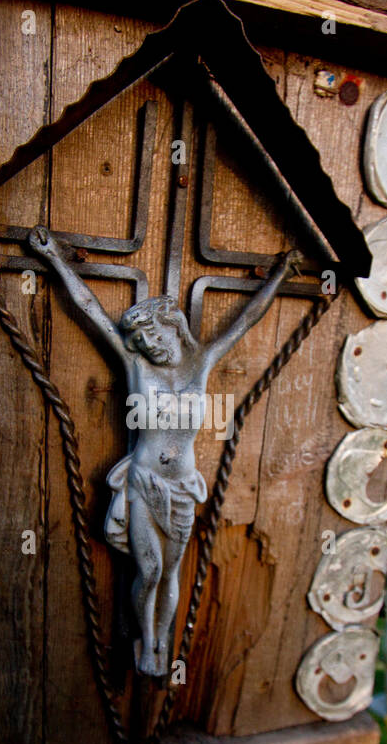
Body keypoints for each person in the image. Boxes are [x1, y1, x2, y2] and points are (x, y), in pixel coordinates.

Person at [26, 225, 301, 675]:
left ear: (174, 328)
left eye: (154, 336)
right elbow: (90, 309)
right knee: (149, 571)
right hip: (144, 481)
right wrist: (54, 258)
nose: (149, 346)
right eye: (141, 342)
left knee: (171, 572)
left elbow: (247, 319)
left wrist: (280, 276)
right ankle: (147, 639)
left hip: (182, 487)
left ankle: (159, 646)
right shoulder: (135, 364)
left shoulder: (202, 361)